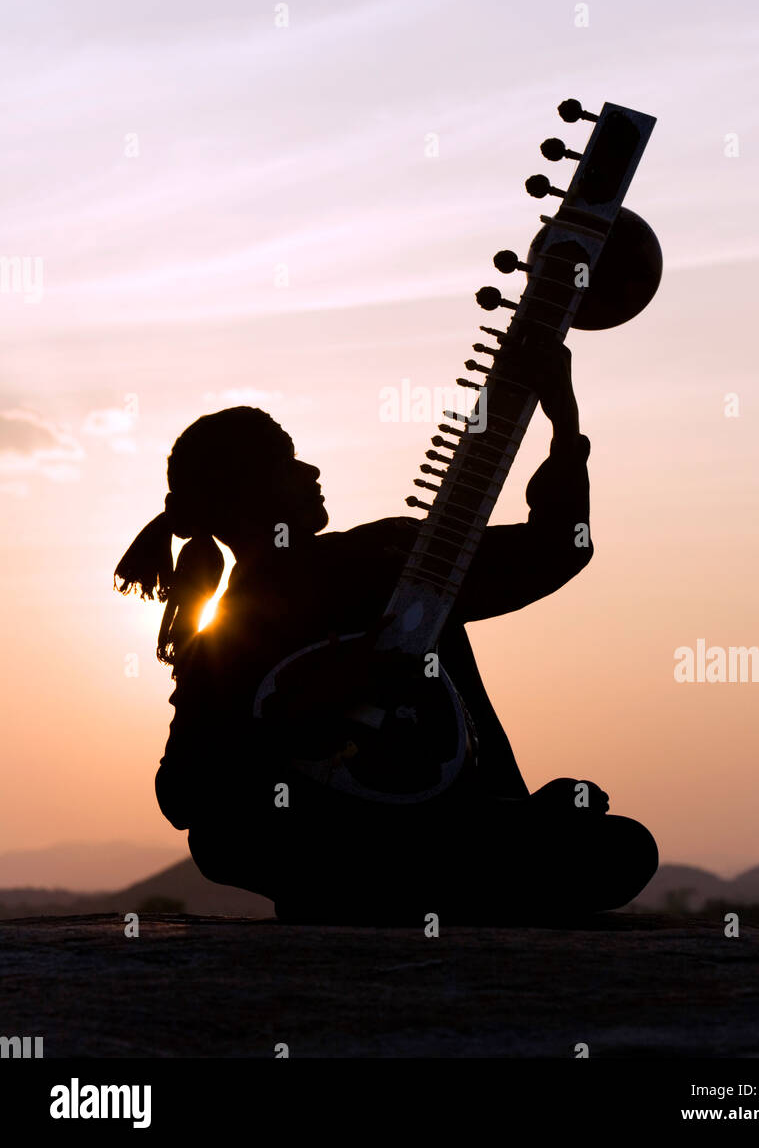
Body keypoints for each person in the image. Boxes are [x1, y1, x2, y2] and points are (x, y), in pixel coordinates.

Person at [114, 344, 657, 925]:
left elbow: (183, 799)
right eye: (288, 464)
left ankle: (447, 861)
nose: (311, 472)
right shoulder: (367, 565)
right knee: (610, 848)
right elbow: (188, 795)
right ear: (249, 494)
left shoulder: (379, 563)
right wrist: (308, 713)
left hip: (403, 841)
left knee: (618, 847)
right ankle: (470, 861)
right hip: (369, 841)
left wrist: (561, 417)